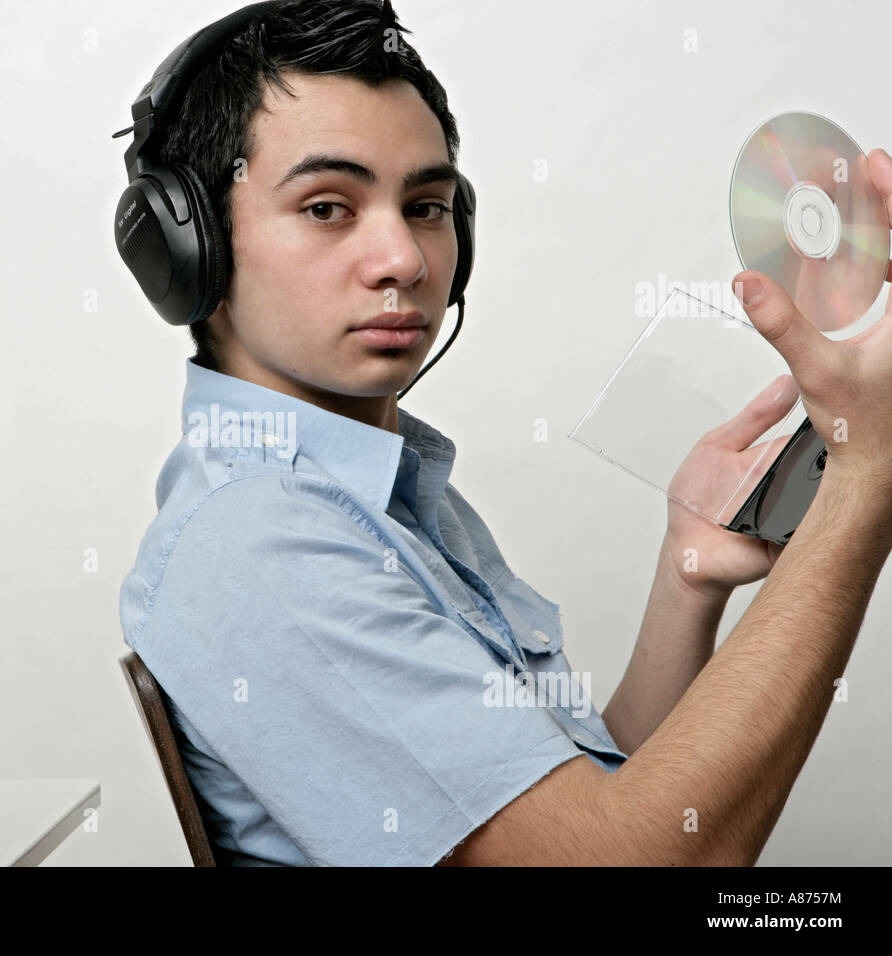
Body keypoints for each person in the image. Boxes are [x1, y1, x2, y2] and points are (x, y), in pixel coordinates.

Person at [118, 0, 892, 866]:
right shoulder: (260, 542)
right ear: (190, 253)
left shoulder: (375, 497)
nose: (405, 262)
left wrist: (689, 578)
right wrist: (867, 475)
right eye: (328, 207)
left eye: (426, 206)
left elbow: (602, 810)